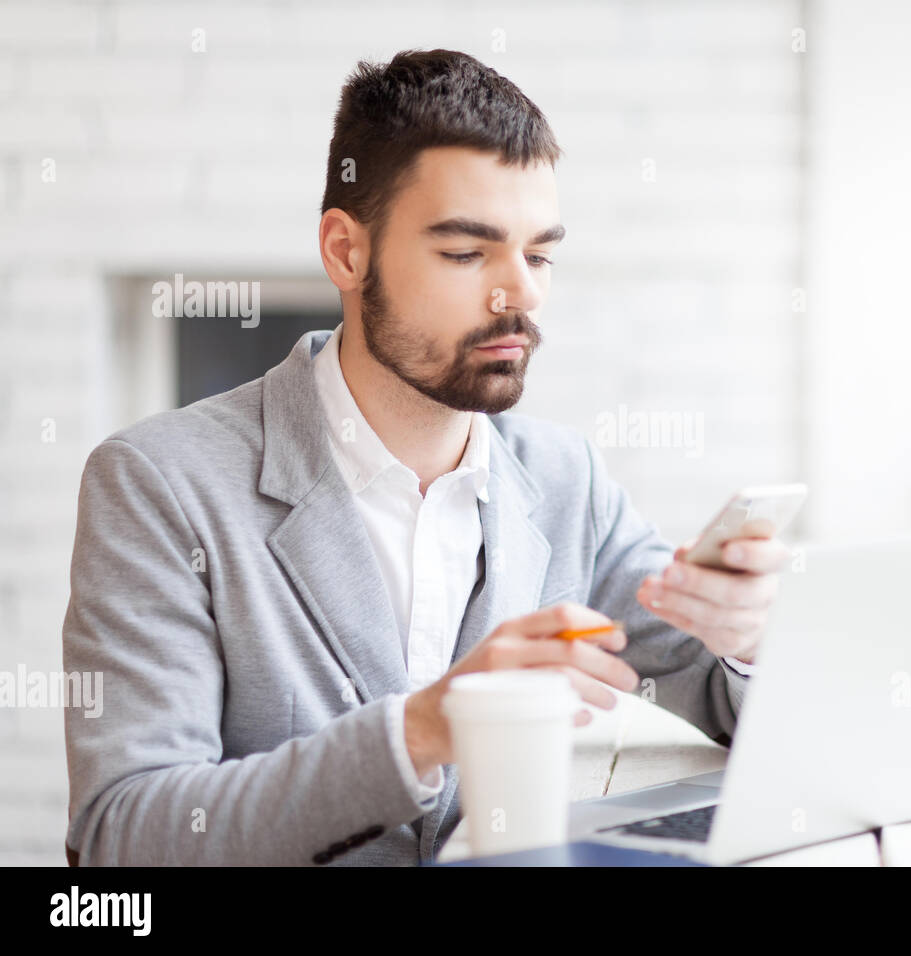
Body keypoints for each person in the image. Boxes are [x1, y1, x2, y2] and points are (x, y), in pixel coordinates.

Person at [62, 49, 789, 866]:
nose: (522, 293)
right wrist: (426, 726)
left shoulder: (563, 482)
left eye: (538, 254)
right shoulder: (159, 484)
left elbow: (737, 705)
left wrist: (750, 638)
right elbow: (121, 839)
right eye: (466, 254)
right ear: (346, 252)